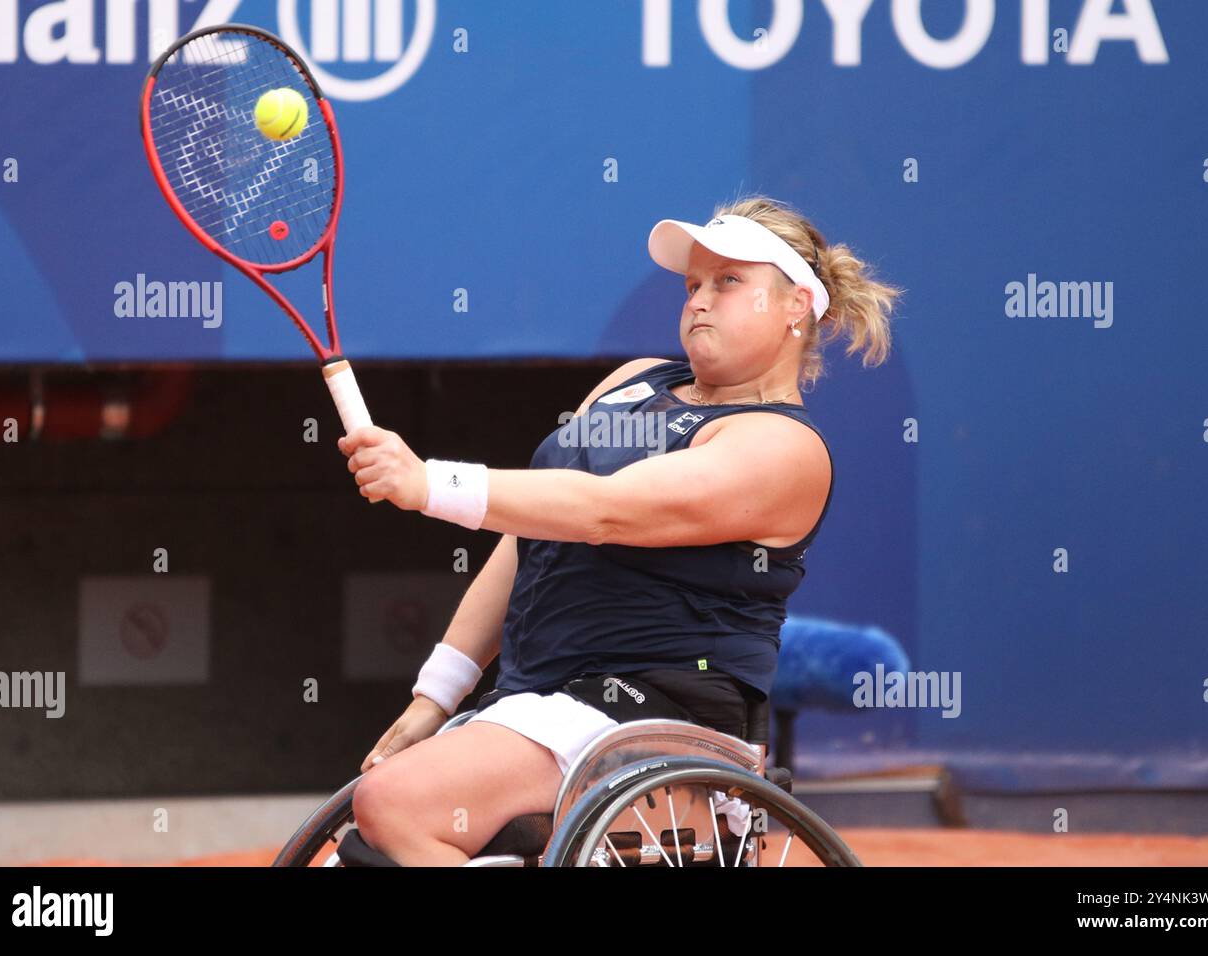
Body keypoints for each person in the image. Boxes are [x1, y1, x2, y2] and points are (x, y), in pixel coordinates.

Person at [337, 194, 900, 865]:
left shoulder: (783, 449)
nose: (698, 300)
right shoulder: (633, 382)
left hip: (656, 714)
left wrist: (429, 484)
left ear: (795, 307)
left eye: (728, 282)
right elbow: (534, 531)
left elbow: (603, 511)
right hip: (544, 701)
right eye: (693, 284)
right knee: (365, 850)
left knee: (395, 805)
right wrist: (437, 694)